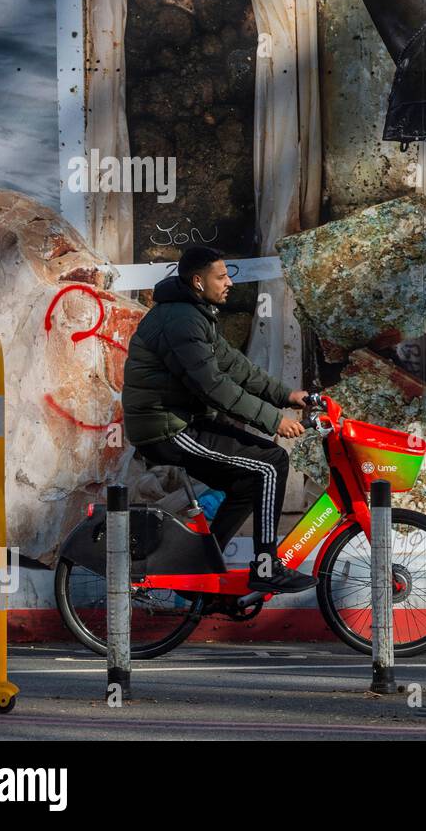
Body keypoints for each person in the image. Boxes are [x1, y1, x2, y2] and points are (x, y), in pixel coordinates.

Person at [121, 245, 316, 594]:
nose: (229, 283)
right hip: (168, 427)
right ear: (198, 281)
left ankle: (202, 568)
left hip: (181, 421)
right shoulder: (180, 320)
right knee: (272, 462)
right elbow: (213, 385)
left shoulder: (194, 313)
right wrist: (274, 421)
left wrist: (287, 396)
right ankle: (266, 568)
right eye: (221, 276)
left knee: (247, 482)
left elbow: (235, 366)